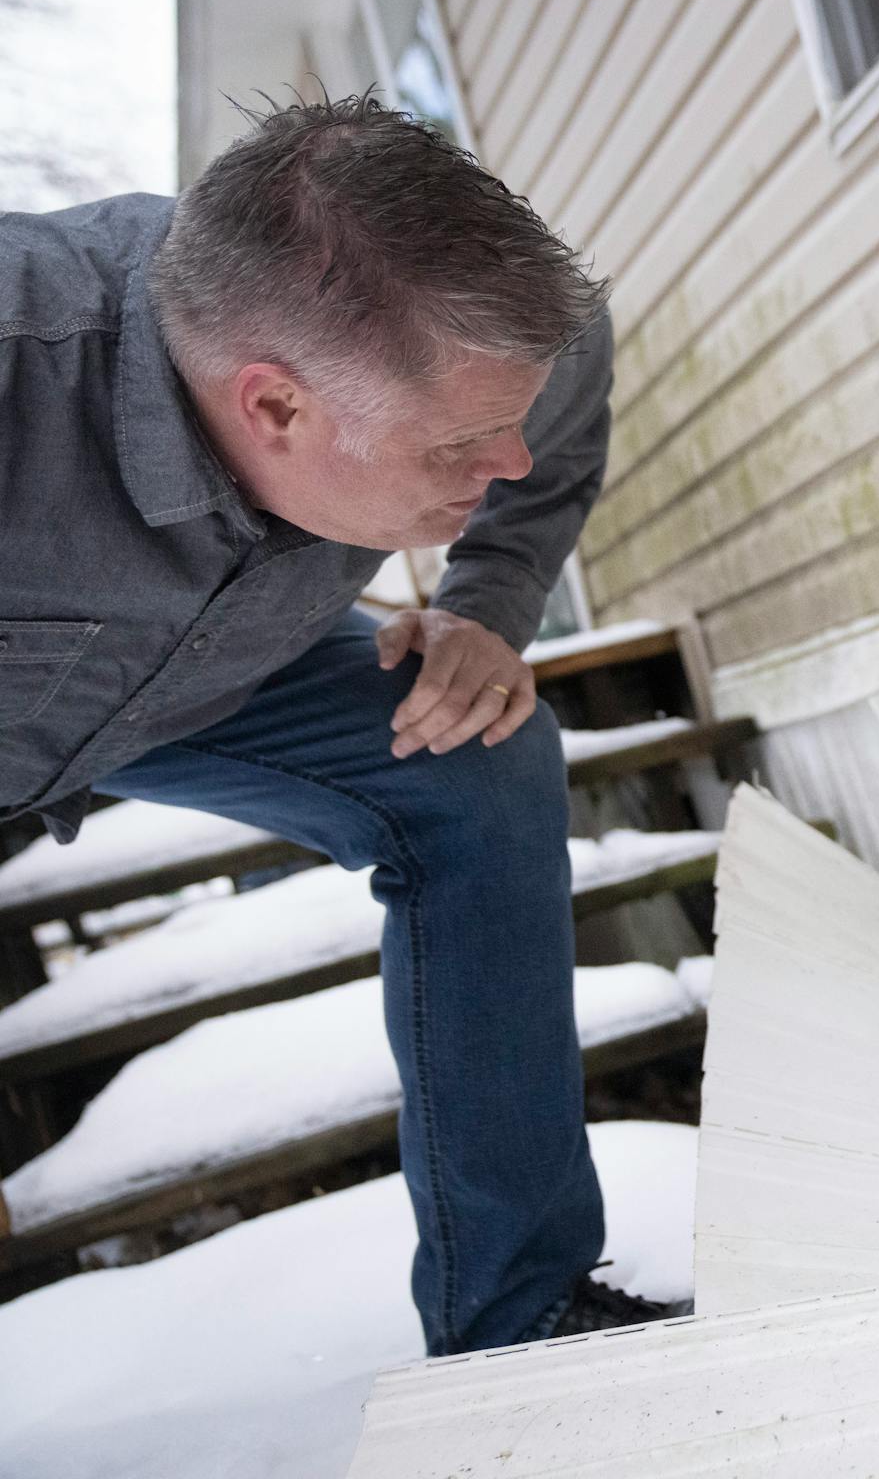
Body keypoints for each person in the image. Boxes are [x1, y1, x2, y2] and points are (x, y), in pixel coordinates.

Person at [0, 95, 675, 1353]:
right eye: (466, 445)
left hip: (217, 673)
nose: (510, 463)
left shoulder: (494, 347)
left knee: (473, 763)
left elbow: (553, 427)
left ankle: (518, 1313)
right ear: (275, 408)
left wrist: (485, 607)